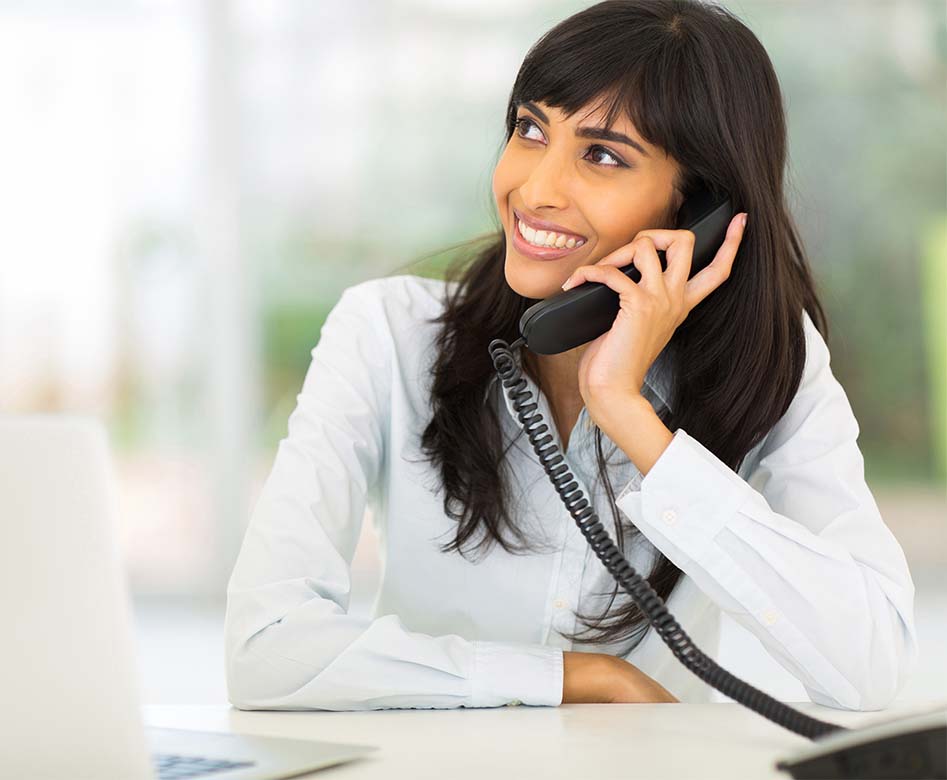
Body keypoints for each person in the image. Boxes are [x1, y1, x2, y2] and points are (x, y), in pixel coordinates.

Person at [224, 0, 917, 712]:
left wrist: (631, 419)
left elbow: (867, 669)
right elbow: (265, 650)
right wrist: (570, 679)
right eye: (530, 130)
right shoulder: (385, 333)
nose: (534, 189)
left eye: (602, 155)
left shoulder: (769, 363)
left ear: (696, 210)